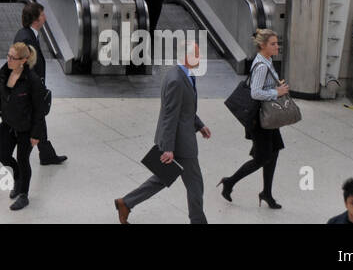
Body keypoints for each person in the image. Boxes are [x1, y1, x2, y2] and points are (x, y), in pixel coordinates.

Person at [116, 39, 210, 224]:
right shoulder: (176, 80)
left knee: (161, 179)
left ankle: (126, 203)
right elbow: (170, 115)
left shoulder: (184, 74)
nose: (200, 57)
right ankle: (198, 221)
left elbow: (185, 109)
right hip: (181, 144)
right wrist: (168, 148)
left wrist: (199, 125)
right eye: (197, 54)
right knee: (195, 185)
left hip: (179, 139)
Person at [0, 2, 67, 169]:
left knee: (36, 118)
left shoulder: (30, 34)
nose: (45, 16)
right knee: (11, 125)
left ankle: (46, 154)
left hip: (29, 88)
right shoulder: (25, 38)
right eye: (42, 14)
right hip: (23, 89)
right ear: (36, 19)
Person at [219, 29, 289, 208]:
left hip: (268, 117)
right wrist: (277, 92)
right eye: (273, 44)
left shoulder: (267, 60)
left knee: (273, 152)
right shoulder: (262, 65)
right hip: (260, 119)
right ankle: (229, 182)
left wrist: (275, 85)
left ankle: (267, 193)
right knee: (262, 158)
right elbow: (256, 92)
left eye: (276, 43)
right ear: (262, 46)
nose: (276, 46)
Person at [0, 41, 48, 210]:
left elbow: (39, 110)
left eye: (13, 58)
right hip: (8, 124)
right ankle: (18, 178)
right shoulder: (3, 73)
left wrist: (36, 134)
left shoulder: (32, 81)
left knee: (23, 160)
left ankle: (23, 194)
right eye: (8, 56)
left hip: (26, 128)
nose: (9, 60)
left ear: (23, 60)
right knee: (4, 156)